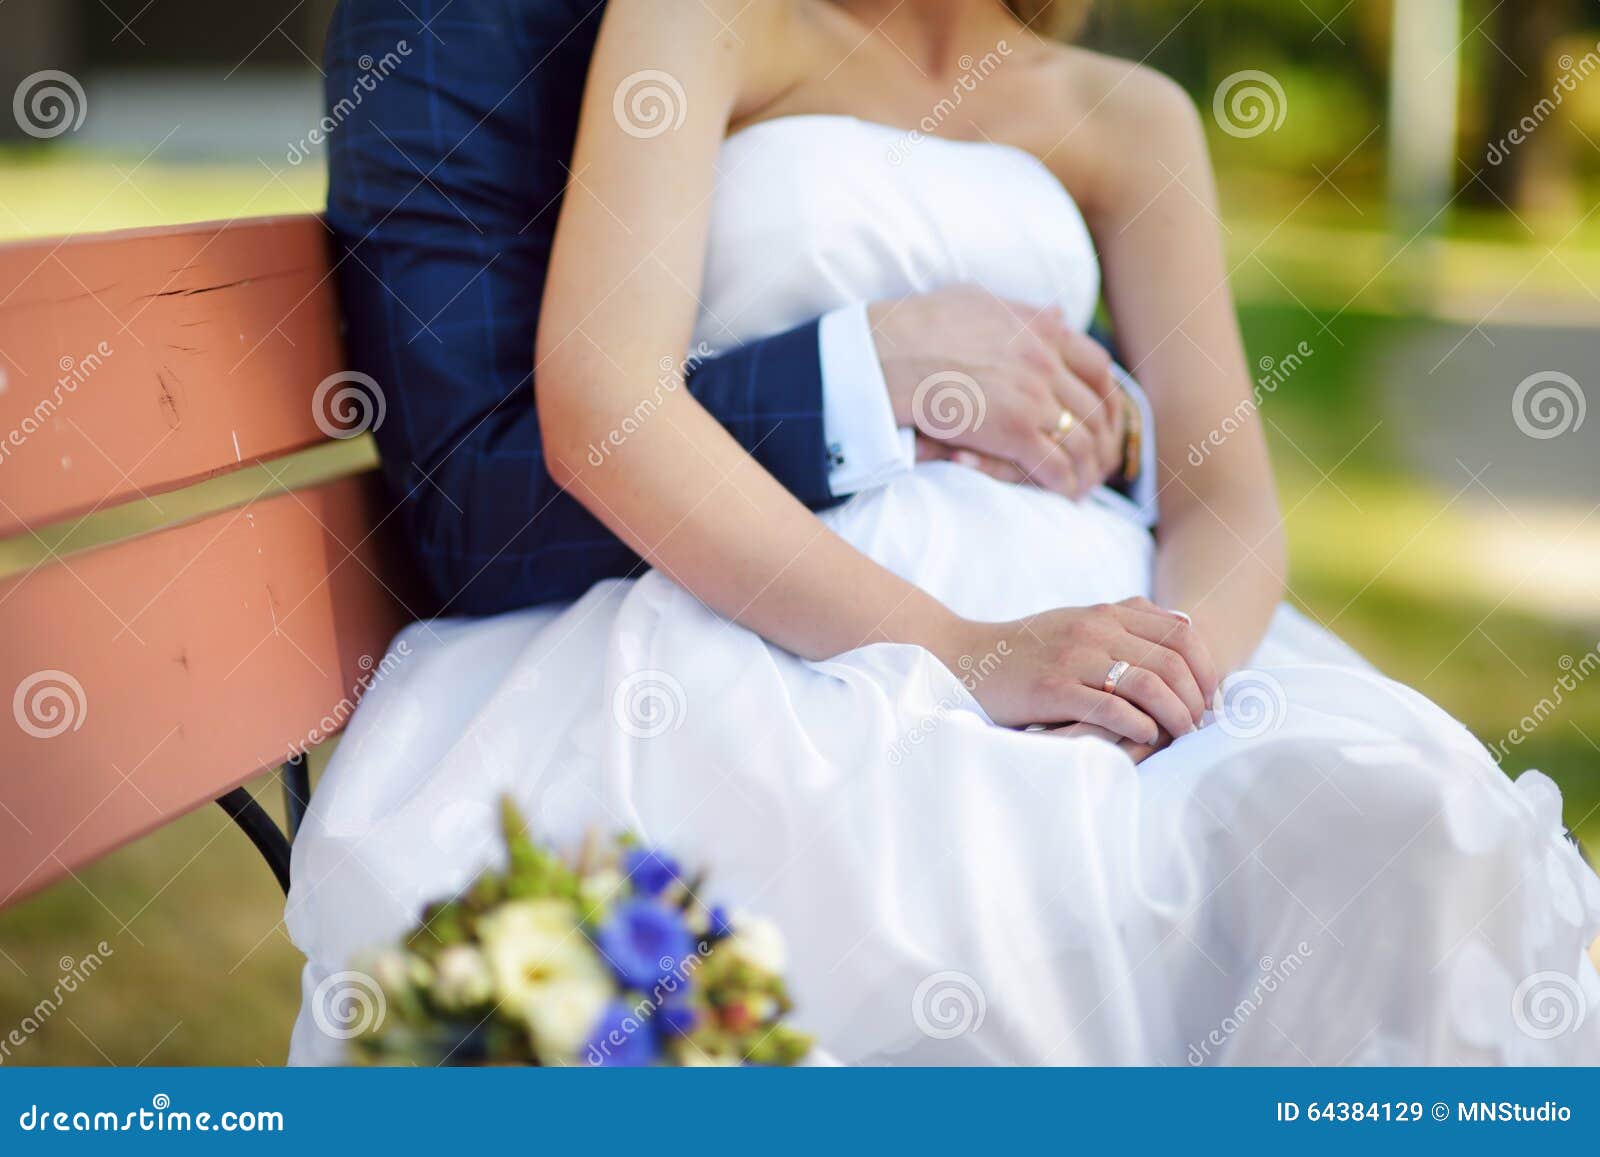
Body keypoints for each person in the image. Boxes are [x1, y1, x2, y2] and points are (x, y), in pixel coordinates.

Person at [289, 0, 1600, 1065]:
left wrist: (1158, 671)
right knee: (965, 900)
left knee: (1405, 829)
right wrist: (964, 654)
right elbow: (605, 407)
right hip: (799, 620)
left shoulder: (1125, 116)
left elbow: (1223, 494)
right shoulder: (698, 23)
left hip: (1101, 628)